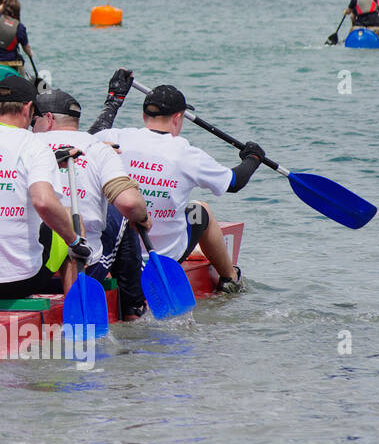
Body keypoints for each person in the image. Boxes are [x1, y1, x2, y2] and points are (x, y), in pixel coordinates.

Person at [89, 70, 261, 292]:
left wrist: (114, 100)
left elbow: (86, 140)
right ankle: (230, 279)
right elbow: (234, 182)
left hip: (114, 252)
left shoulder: (115, 138)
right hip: (165, 256)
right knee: (201, 210)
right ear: (178, 118)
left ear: (144, 116)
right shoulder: (186, 154)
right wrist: (253, 158)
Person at [0, 75, 86, 300]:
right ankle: (75, 308)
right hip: (19, 281)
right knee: (66, 216)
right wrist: (75, 241)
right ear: (29, 108)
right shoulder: (35, 145)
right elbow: (43, 202)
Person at [33, 88, 151, 319]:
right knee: (124, 213)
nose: (30, 125)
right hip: (83, 268)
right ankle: (132, 307)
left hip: (25, 271)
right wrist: (143, 218)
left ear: (48, 119)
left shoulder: (25, 144)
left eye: (33, 119)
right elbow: (129, 203)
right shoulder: (97, 147)